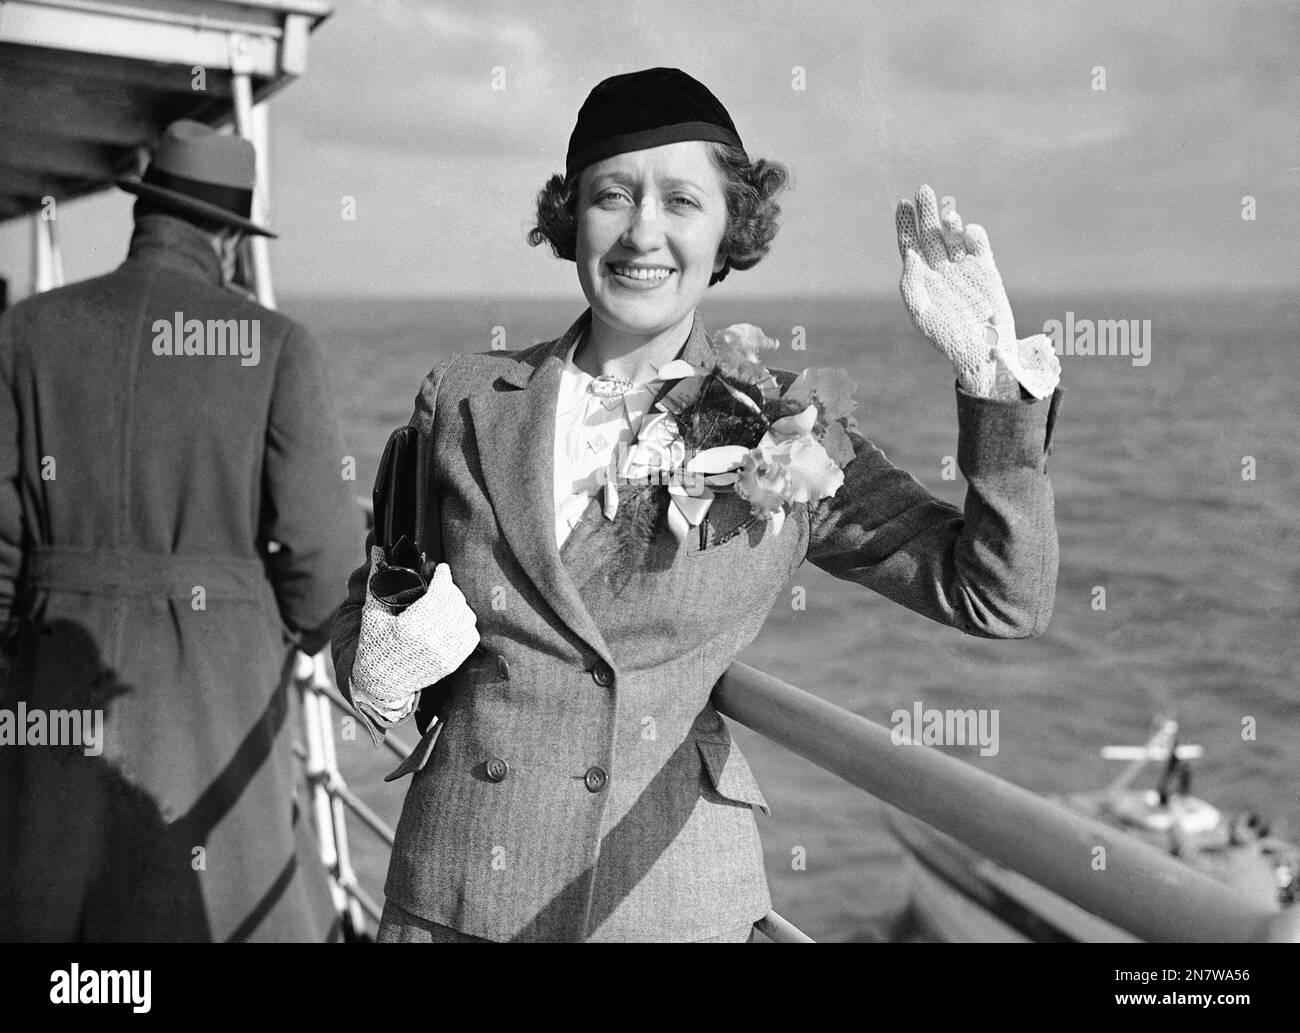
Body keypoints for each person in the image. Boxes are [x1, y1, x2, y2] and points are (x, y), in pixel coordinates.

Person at [331, 67, 1064, 943]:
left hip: (665, 900)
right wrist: (377, 660)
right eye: (612, 195)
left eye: (682, 200)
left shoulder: (795, 430)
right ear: (572, 221)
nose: (643, 230)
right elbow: (369, 608)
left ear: (730, 233)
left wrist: (992, 383)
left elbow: (1001, 594)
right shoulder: (462, 398)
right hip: (456, 893)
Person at [0, 120, 360, 941]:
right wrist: (298, 628)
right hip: (219, 692)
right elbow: (321, 561)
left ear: (143, 214)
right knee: (221, 900)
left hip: (57, 672)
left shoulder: (25, 332)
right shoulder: (274, 346)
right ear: (230, 238)